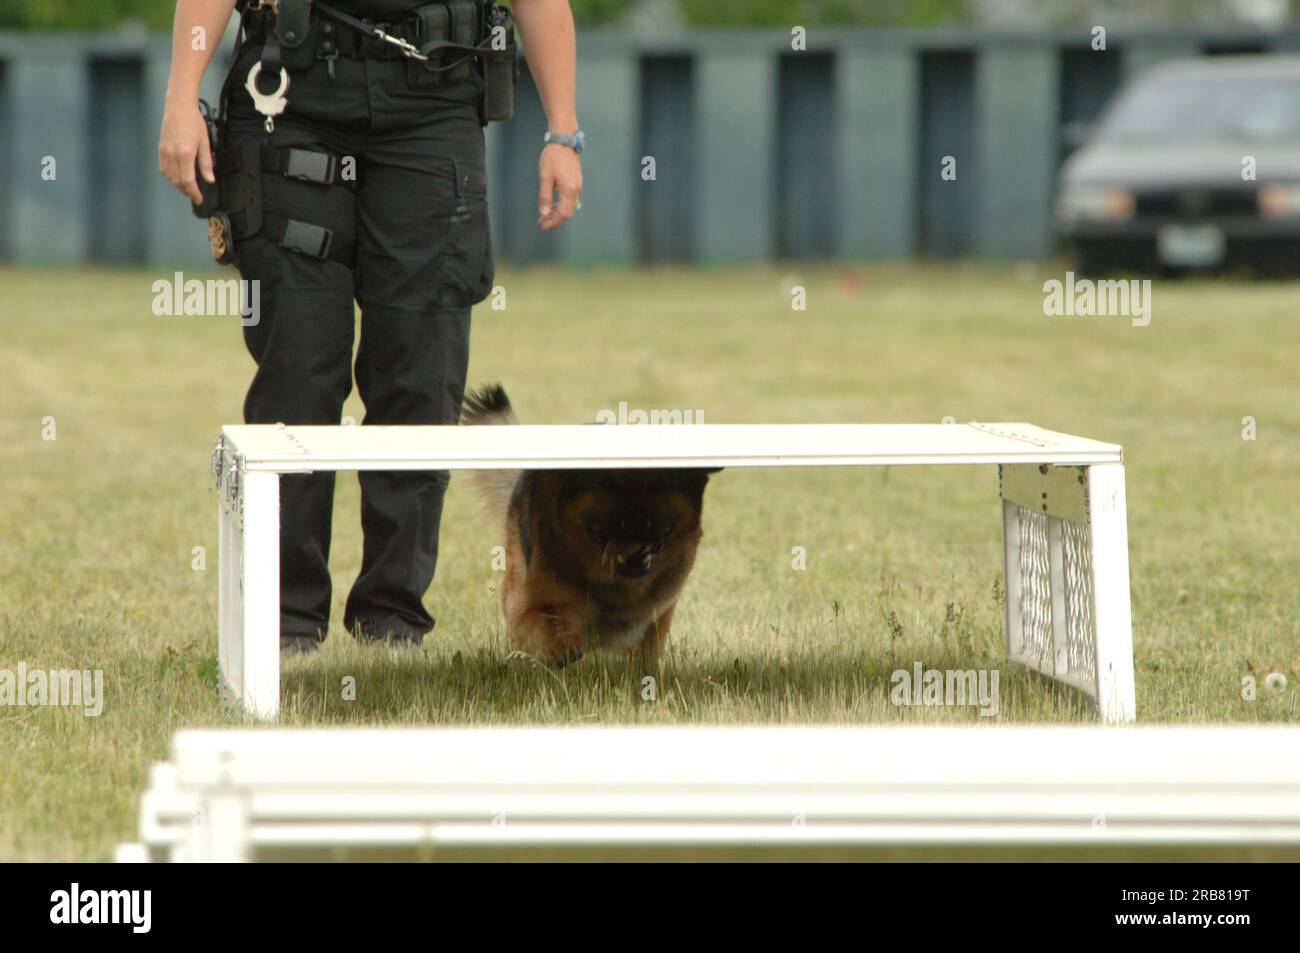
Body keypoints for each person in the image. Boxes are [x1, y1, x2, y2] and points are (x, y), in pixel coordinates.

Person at [158, 0, 583, 652]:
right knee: (299, 365)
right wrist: (181, 96)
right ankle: (286, 625)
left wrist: (563, 131)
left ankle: (392, 622)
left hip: (435, 98)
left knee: (419, 369)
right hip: (290, 95)